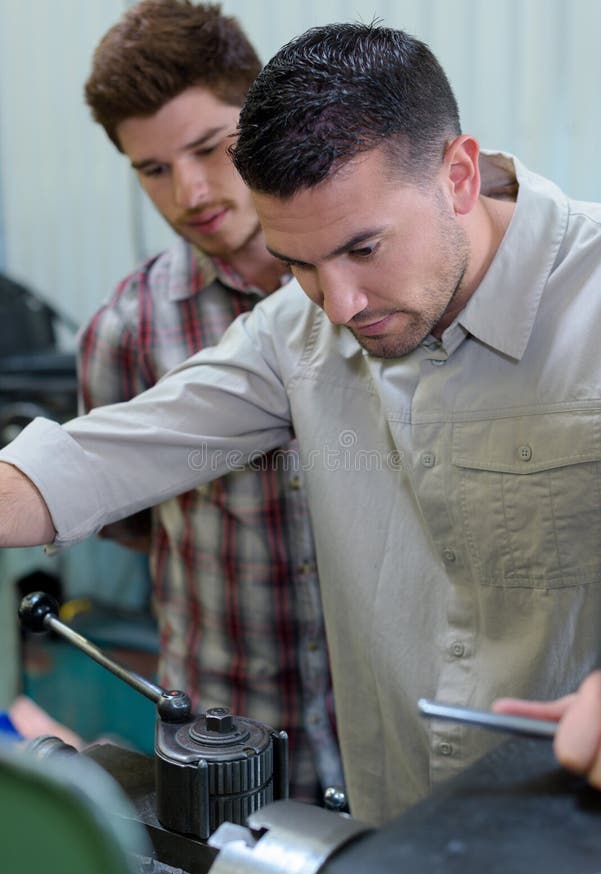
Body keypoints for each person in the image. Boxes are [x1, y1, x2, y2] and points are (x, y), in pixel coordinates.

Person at [1, 20, 601, 826]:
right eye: (300, 265)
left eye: (364, 249)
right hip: (394, 830)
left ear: (458, 175)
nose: (339, 305)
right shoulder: (297, 328)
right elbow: (107, 454)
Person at [75, 0, 343, 803]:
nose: (190, 191)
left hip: (386, 717)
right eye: (153, 169)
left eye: (208, 148)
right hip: (222, 744)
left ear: (260, 120)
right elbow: (128, 523)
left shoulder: (369, 290)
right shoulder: (126, 330)